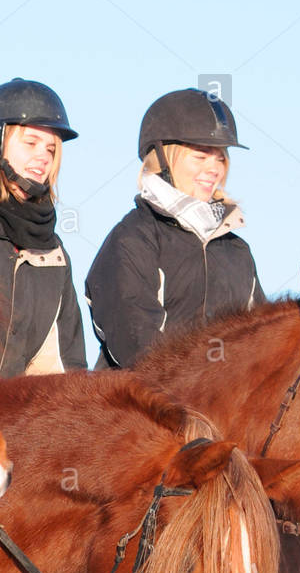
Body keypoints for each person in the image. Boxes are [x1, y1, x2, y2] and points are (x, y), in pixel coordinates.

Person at [85, 89, 261, 369]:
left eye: (220, 157)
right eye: (201, 156)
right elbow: (138, 346)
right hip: (141, 405)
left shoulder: (237, 251)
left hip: (219, 408)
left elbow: (257, 343)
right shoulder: (134, 237)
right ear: (165, 158)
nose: (214, 168)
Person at [0, 79, 86, 376]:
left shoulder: (52, 250)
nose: (43, 157)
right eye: (30, 143)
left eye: (51, 149)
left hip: (14, 414)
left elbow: (62, 367)